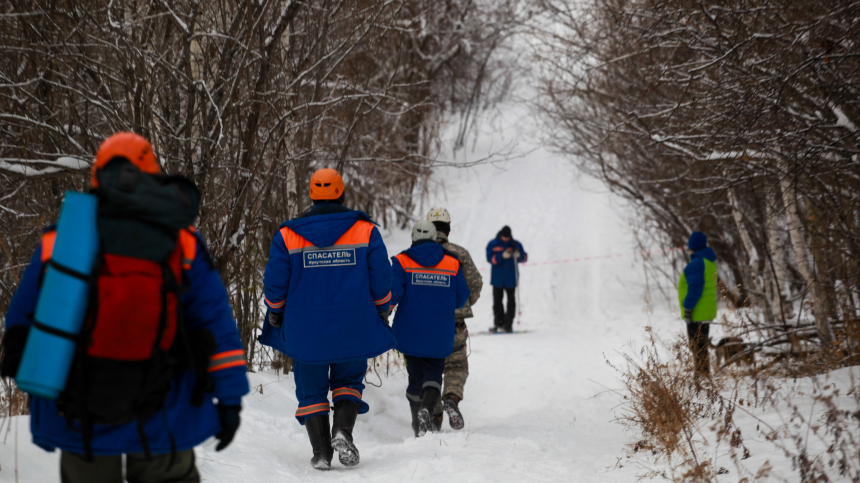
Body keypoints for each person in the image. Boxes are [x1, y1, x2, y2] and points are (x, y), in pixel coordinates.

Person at [0, 132, 250, 483]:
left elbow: (21, 324)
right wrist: (230, 398)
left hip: (79, 411)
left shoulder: (61, 239)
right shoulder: (183, 242)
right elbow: (215, 324)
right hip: (164, 407)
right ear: (154, 175)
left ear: (96, 176)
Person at [259, 168, 395, 470]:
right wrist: (382, 308)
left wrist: (276, 313)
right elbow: (381, 279)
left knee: (311, 388)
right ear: (342, 193)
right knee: (348, 380)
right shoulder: (366, 231)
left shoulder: (287, 235)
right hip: (353, 324)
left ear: (310, 195)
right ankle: (342, 431)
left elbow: (275, 284)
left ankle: (321, 453)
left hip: (305, 330)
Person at [390, 221, 469, 437]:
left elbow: (393, 293)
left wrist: (384, 313)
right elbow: (462, 296)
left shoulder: (402, 261)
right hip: (439, 331)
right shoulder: (451, 263)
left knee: (415, 375)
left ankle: (418, 424)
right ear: (435, 238)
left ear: (413, 239)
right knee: (434, 373)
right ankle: (427, 408)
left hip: (409, 331)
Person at [425, 207, 482, 431]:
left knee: (429, 368)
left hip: (424, 324)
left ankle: (435, 415)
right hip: (453, 323)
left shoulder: (416, 254)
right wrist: (463, 304)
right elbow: (475, 285)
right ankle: (451, 398)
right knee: (456, 364)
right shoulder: (460, 253)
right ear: (448, 229)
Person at [678, 231, 718, 376]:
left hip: (697, 312)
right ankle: (702, 375)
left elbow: (695, 288)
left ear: (693, 247)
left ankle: (701, 377)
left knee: (697, 347)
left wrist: (688, 306)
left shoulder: (696, 264)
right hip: (705, 311)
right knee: (701, 346)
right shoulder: (708, 261)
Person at [486, 225, 528, 332]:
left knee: (511, 303)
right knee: (497, 303)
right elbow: (490, 258)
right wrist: (501, 256)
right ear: (501, 235)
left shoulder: (515, 244)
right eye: (504, 237)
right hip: (497, 279)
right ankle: (498, 323)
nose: (506, 239)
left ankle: (508, 324)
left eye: (508, 237)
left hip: (511, 278)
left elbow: (525, 257)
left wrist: (519, 255)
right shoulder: (493, 244)